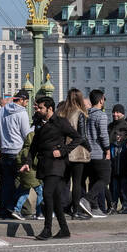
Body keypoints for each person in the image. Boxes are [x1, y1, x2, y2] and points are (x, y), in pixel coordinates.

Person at [24, 94, 86, 240]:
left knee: (47, 194)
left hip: (57, 164)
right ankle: (64, 229)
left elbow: (78, 138)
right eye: (37, 107)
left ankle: (47, 229)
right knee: (56, 198)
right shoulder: (39, 123)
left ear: (49, 108)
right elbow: (34, 146)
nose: (38, 110)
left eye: (41, 108)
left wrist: (63, 150)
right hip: (44, 163)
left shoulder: (60, 122)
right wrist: (27, 162)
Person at [0, 89, 31, 219]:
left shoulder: (1, 111)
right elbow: (26, 134)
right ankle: (13, 207)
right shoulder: (22, 113)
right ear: (21, 100)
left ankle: (4, 209)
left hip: (4, 151)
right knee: (24, 182)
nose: (26, 104)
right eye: (26, 101)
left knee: (5, 182)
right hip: (17, 150)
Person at [57, 88, 93, 218]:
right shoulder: (80, 113)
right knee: (77, 182)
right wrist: (89, 148)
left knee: (64, 181)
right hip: (77, 152)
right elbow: (82, 136)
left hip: (63, 151)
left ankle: (62, 207)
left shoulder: (61, 112)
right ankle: (76, 210)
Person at [85, 89, 112, 213]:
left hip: (88, 153)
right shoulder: (101, 115)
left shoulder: (85, 114)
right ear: (101, 100)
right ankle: (87, 199)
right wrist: (107, 149)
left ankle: (94, 208)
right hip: (99, 152)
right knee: (105, 178)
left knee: (93, 180)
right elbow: (103, 135)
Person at [107, 104, 127, 212]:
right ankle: (113, 206)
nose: (115, 114)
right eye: (114, 112)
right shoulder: (110, 126)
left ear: (122, 114)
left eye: (118, 112)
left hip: (123, 160)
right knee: (114, 186)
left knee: (124, 187)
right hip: (113, 160)